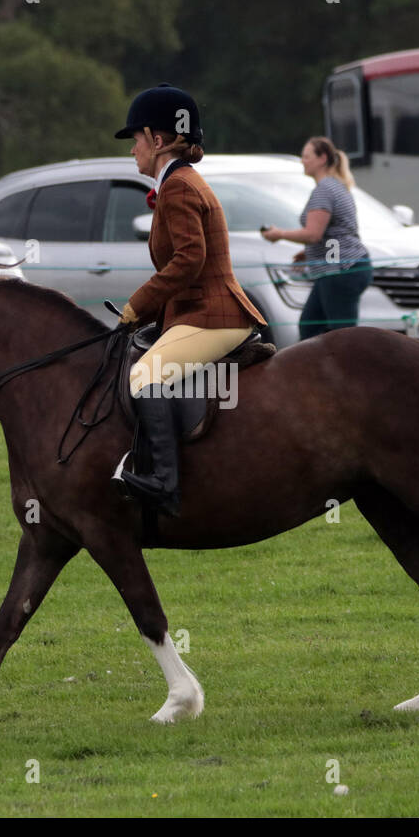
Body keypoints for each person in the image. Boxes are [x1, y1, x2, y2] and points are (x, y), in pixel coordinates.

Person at [112, 84, 268, 516]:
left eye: (136, 140)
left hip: (213, 315)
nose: (133, 152)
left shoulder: (179, 187)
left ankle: (165, 482)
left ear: (158, 141)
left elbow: (189, 259)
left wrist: (136, 304)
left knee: (144, 377)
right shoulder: (179, 183)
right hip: (196, 312)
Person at [260, 136, 372, 340]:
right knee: (310, 327)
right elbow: (335, 233)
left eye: (306, 156)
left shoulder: (325, 190)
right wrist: (309, 253)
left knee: (342, 335)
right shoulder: (335, 186)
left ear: (322, 158)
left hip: (340, 270)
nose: (303, 161)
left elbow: (313, 234)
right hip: (336, 267)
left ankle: (350, 371)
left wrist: (279, 234)